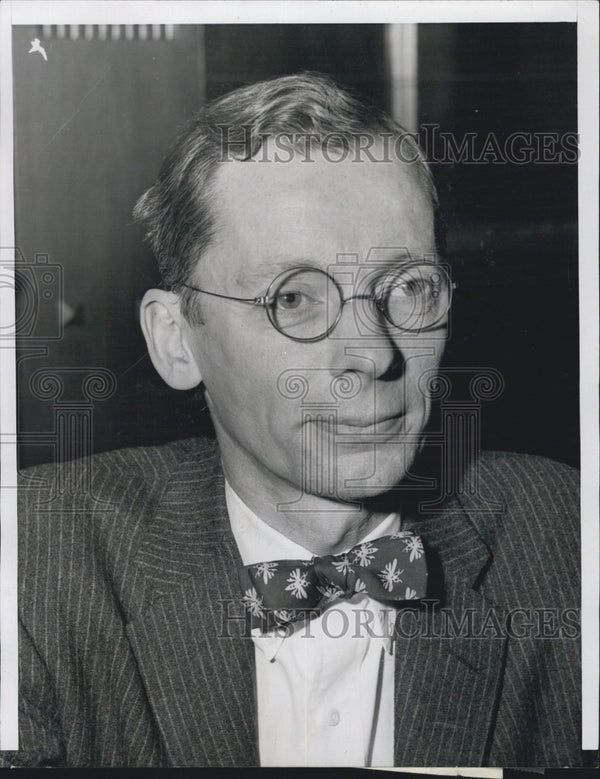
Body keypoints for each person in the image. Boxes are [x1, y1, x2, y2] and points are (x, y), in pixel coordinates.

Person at [3, 72, 587, 768]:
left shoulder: (573, 546)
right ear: (176, 340)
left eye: (408, 288)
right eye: (295, 299)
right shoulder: (34, 560)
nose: (372, 353)